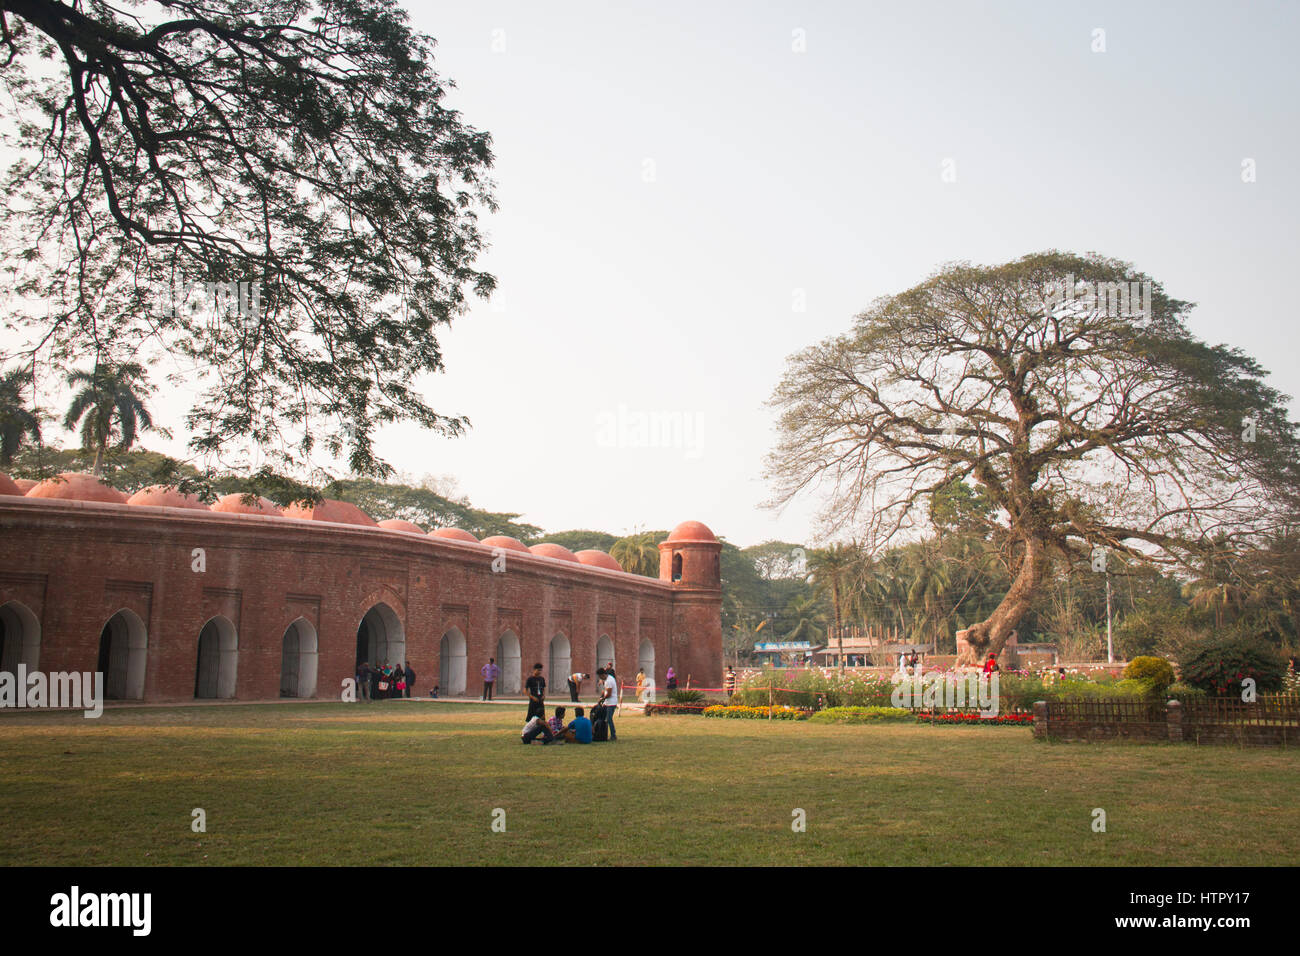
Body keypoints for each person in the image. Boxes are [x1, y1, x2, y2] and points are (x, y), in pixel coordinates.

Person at [598, 666, 619, 741]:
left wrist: (602, 699)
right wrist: (602, 697)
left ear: (603, 674)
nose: (600, 678)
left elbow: (609, 694)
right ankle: (603, 734)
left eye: (600, 676)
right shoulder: (607, 678)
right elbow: (605, 690)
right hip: (607, 702)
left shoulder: (609, 681)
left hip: (611, 703)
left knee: (609, 719)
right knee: (604, 718)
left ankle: (613, 735)